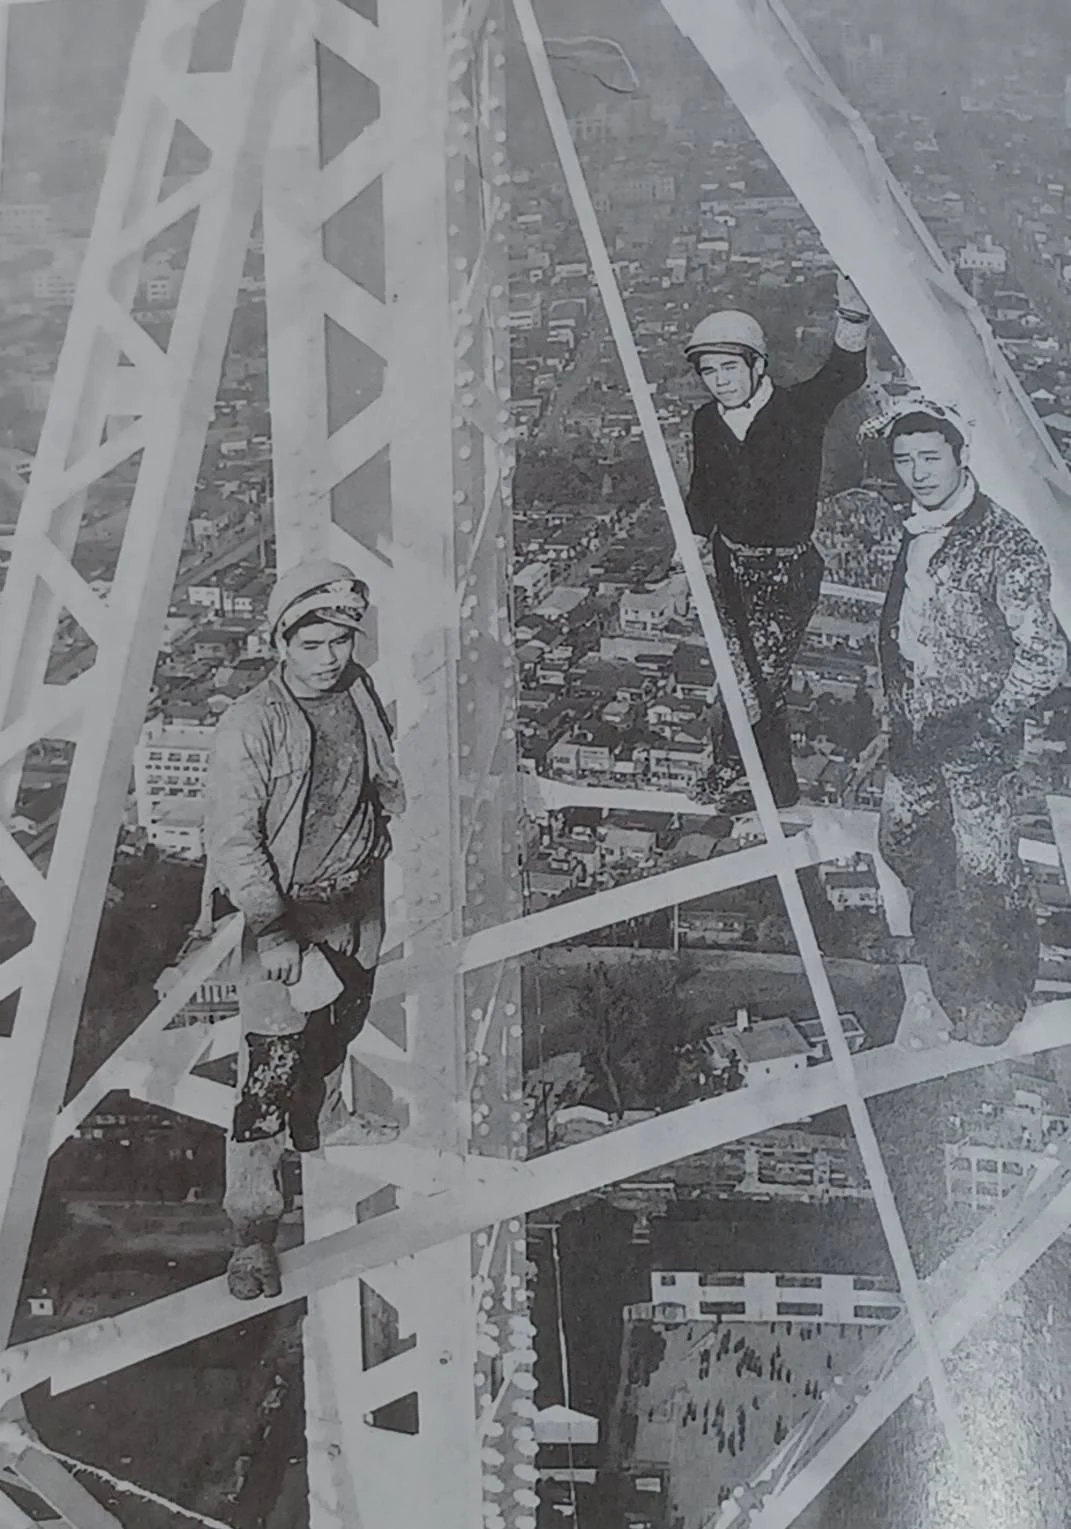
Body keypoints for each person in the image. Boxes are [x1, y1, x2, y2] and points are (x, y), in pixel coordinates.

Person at [202, 559, 407, 1299]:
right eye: (312, 643)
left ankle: (323, 1124)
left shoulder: (356, 690)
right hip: (287, 914)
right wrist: (275, 930)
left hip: (357, 903)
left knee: (335, 1029)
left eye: (340, 641)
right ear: (281, 641)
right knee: (267, 1073)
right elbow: (234, 842)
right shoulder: (250, 726)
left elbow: (374, 777)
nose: (329, 658)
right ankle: (252, 1234)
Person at [860, 396, 1067, 1044]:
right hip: (916, 728)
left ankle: (996, 998)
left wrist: (994, 720)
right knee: (904, 844)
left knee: (985, 869)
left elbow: (1045, 654)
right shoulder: (915, 530)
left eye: (929, 457)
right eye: (903, 460)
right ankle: (951, 980)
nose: (917, 472)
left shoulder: (1002, 542)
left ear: (958, 454)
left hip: (977, 733)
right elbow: (905, 630)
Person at [683, 275, 872, 811]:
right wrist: (692, 546)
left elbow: (844, 372)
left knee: (751, 679)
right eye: (709, 371)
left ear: (757, 364)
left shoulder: (796, 408)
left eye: (729, 368)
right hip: (731, 566)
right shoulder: (706, 422)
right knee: (749, 675)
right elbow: (705, 493)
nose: (719, 382)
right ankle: (776, 783)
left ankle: (735, 774)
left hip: (787, 572)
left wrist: (853, 315)